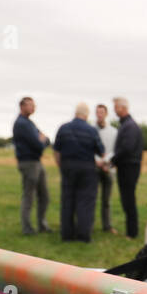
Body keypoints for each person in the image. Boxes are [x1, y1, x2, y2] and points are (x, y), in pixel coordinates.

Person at [51, 102, 106, 243]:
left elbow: (56, 150)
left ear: (75, 113)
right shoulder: (91, 130)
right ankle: (83, 235)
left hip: (68, 168)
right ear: (86, 115)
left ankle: (67, 235)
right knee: (86, 202)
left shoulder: (63, 128)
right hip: (87, 169)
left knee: (67, 200)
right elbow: (101, 151)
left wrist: (61, 166)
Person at [12, 96, 51, 235]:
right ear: (22, 106)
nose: (33, 108)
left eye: (34, 105)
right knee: (29, 196)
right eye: (30, 105)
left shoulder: (30, 123)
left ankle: (42, 225)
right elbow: (38, 144)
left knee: (44, 196)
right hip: (28, 163)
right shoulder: (22, 123)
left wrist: (43, 140)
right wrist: (42, 141)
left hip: (36, 162)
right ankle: (27, 228)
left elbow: (46, 139)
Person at [109, 96, 143, 239]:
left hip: (128, 168)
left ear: (122, 108)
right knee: (127, 199)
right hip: (127, 167)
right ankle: (131, 231)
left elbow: (126, 149)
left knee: (128, 200)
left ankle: (132, 233)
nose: (114, 110)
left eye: (116, 107)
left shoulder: (129, 126)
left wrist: (112, 160)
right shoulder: (126, 124)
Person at [93, 103, 118, 233]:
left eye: (101, 112)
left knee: (106, 200)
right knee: (92, 197)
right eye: (97, 112)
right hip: (95, 168)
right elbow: (90, 148)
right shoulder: (91, 129)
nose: (99, 115)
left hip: (108, 168)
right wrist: (98, 161)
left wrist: (105, 162)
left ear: (106, 114)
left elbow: (114, 150)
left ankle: (107, 226)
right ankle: (90, 225)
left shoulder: (113, 131)